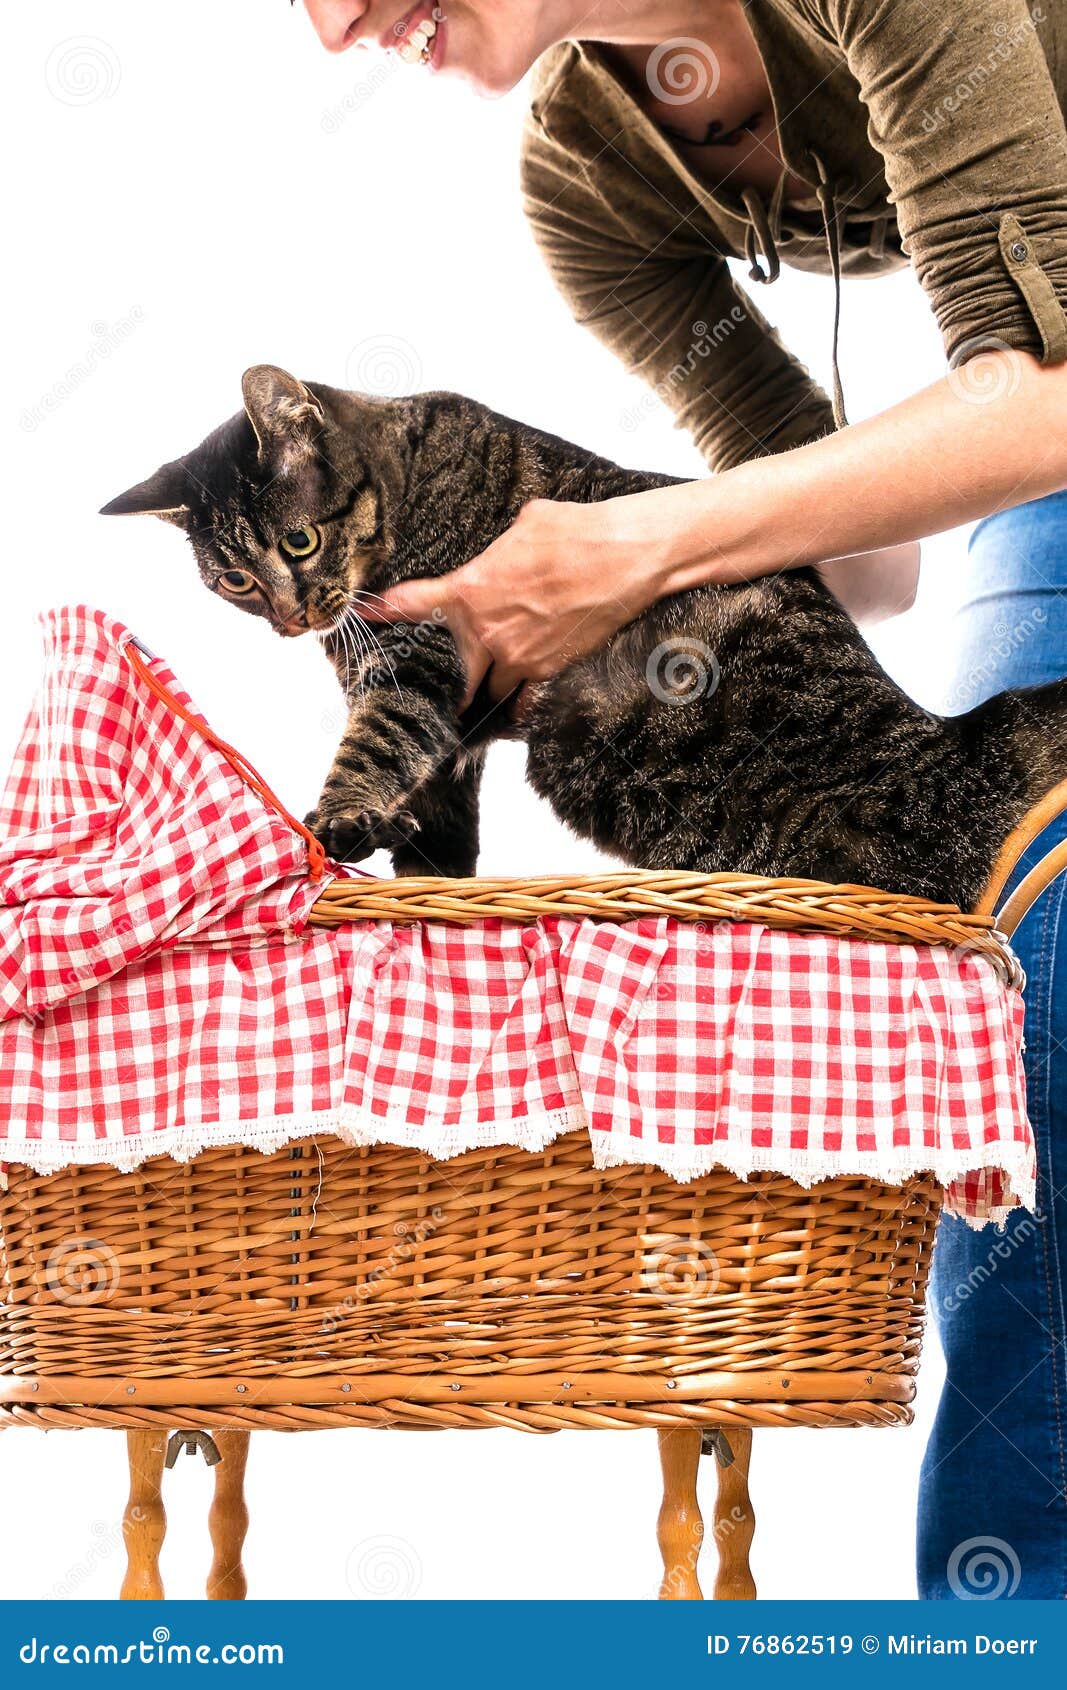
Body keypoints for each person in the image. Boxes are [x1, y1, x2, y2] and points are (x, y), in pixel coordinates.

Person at [302, 1, 1067, 1596]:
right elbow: (866, 562)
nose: (333, 22)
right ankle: (1022, 1607)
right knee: (996, 987)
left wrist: (636, 550)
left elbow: (1044, 395)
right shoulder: (591, 186)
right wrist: (554, 584)